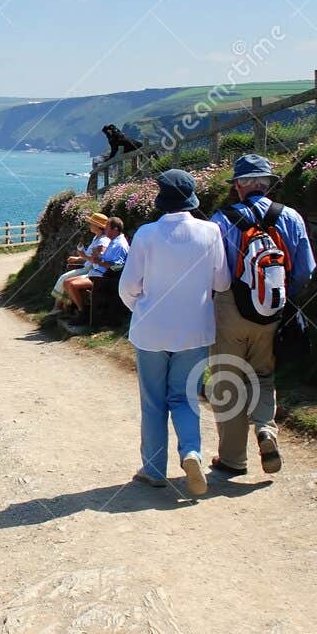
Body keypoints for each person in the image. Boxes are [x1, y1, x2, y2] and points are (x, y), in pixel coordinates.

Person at [117, 170, 230, 495]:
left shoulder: (146, 234)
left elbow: (128, 286)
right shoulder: (211, 232)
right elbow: (221, 282)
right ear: (191, 198)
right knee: (184, 398)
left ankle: (153, 469)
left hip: (150, 330)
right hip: (195, 331)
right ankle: (191, 452)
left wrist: (140, 310)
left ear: (161, 199)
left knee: (153, 402)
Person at [204, 154, 316, 477]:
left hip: (229, 309)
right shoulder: (291, 217)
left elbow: (211, 272)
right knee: (263, 375)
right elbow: (306, 270)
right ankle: (266, 428)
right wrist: (284, 298)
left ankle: (233, 459)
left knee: (229, 379)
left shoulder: (220, 220)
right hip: (272, 309)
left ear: (238, 186)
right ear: (267, 184)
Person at [61, 216, 129, 316]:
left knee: (71, 285)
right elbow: (105, 260)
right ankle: (79, 310)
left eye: (107, 228)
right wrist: (97, 254)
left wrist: (99, 261)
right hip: (97, 274)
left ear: (115, 230)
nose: (104, 230)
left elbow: (118, 266)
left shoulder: (119, 245)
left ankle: (82, 313)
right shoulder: (113, 241)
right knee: (66, 282)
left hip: (103, 279)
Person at [52, 212, 112, 310]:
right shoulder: (97, 238)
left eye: (91, 223)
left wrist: (82, 255)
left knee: (64, 278)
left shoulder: (103, 241)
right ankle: (62, 307)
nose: (89, 225)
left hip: (92, 270)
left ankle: (58, 308)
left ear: (98, 226)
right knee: (64, 278)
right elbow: (91, 257)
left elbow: (97, 260)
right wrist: (78, 258)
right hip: (88, 267)